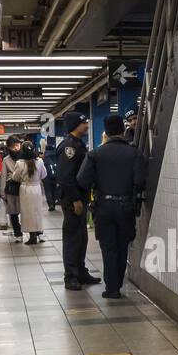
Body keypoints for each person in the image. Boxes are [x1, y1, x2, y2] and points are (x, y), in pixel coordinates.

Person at [78, 113, 146, 298]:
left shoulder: (95, 154)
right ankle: (118, 283)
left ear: (106, 132)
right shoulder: (134, 153)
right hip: (126, 206)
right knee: (122, 246)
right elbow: (140, 181)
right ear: (122, 131)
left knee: (108, 248)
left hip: (103, 208)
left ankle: (112, 288)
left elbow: (82, 180)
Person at [56, 111, 101, 290]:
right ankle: (71, 276)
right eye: (84, 123)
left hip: (80, 196)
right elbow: (65, 176)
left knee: (81, 237)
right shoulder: (69, 146)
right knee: (72, 238)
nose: (87, 126)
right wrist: (75, 199)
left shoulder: (77, 144)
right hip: (72, 199)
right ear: (76, 125)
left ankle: (81, 272)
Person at [11, 140, 47, 245]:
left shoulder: (19, 163)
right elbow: (44, 175)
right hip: (36, 189)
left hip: (25, 190)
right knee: (37, 212)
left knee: (27, 213)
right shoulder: (39, 161)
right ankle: (38, 233)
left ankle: (32, 237)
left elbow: (15, 177)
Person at [1, 137, 23, 238]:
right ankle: (18, 234)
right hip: (11, 190)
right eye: (13, 146)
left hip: (24, 188)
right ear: (8, 147)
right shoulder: (5, 160)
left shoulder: (25, 157)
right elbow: (3, 177)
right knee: (13, 213)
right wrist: (2, 192)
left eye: (17, 145)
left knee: (26, 212)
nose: (15, 148)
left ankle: (35, 233)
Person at [42, 139, 60, 211]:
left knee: (48, 191)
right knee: (54, 189)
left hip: (46, 177)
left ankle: (50, 204)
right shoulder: (56, 156)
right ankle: (54, 202)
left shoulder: (45, 157)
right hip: (55, 176)